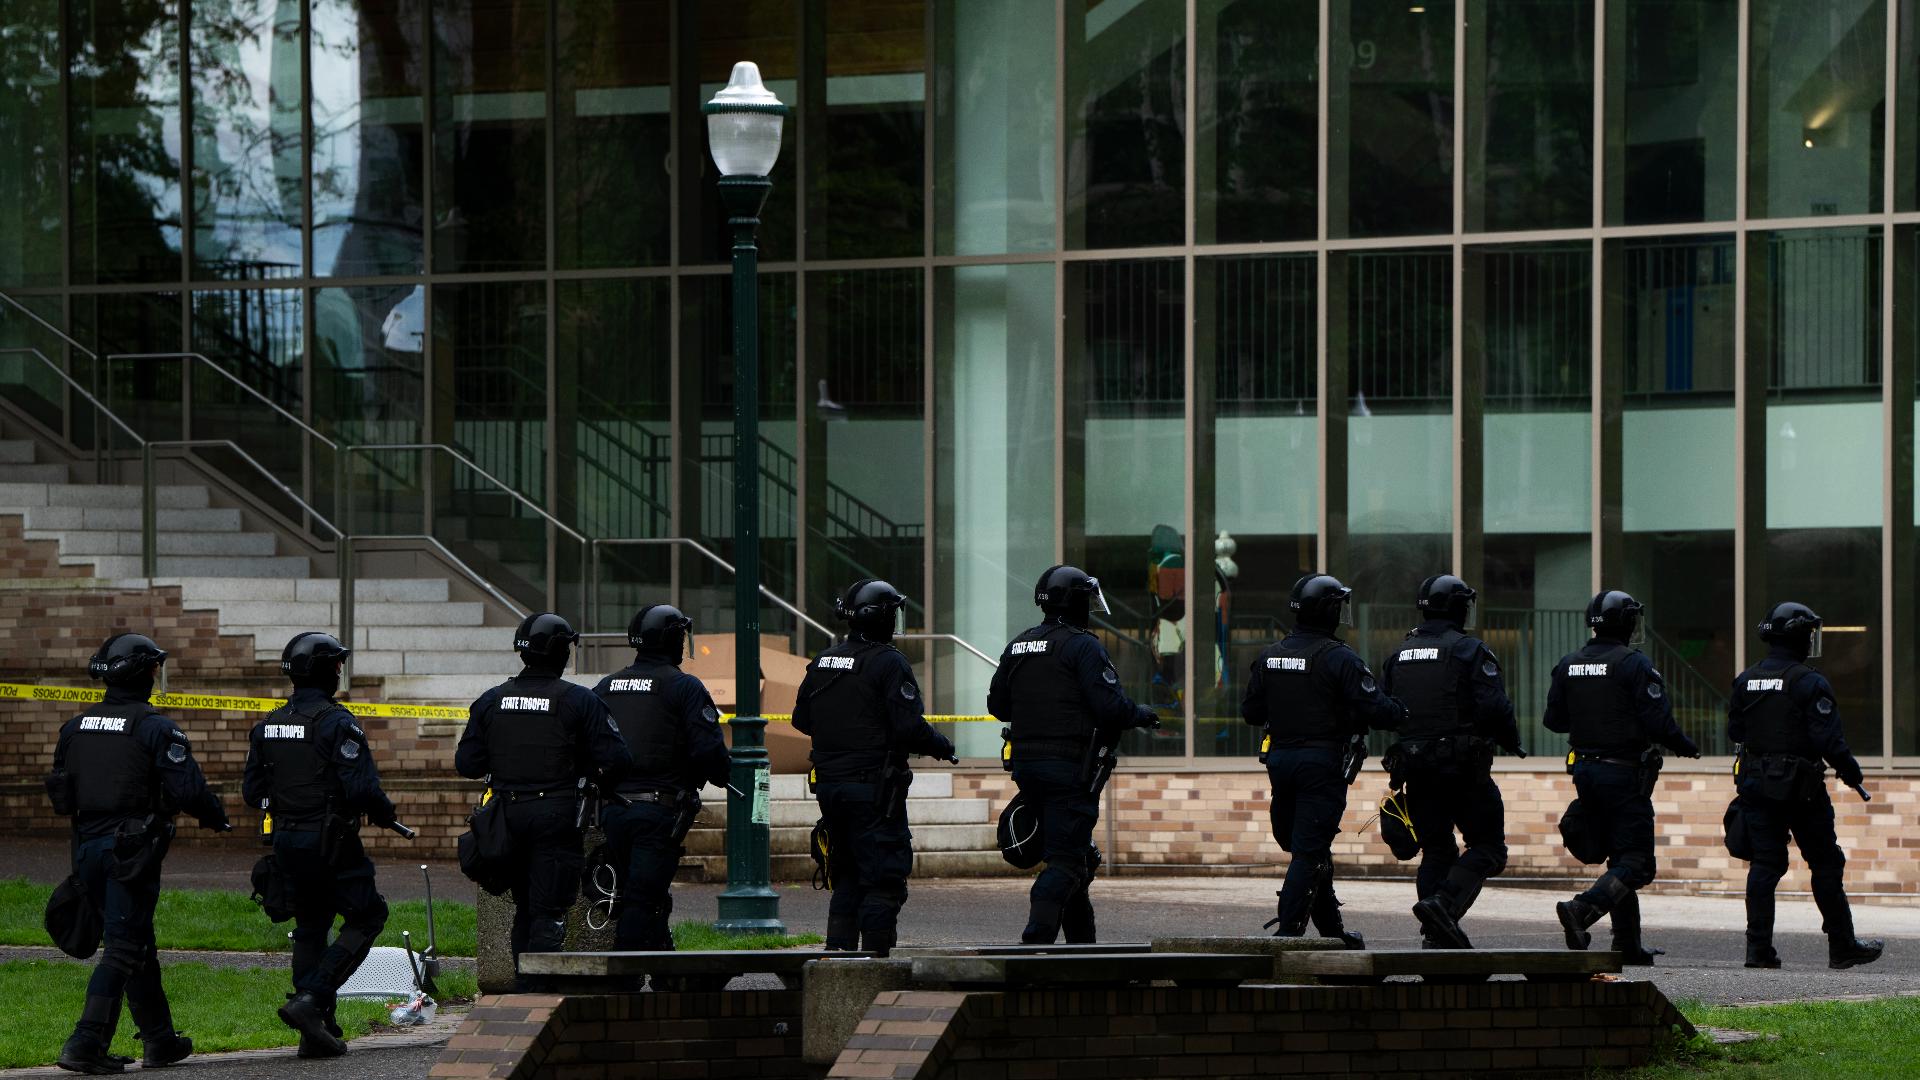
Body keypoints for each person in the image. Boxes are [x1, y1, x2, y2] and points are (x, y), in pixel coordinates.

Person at [49, 633, 230, 1074]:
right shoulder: (156, 728)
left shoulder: (75, 728)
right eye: (154, 667)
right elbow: (188, 789)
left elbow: (61, 794)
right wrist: (215, 817)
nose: (156, 674)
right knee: (124, 949)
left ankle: (160, 1040)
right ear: (144, 673)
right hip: (129, 855)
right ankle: (85, 1043)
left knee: (137, 946)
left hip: (87, 852)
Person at [243, 632, 398, 1057]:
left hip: (287, 841)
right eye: (336, 665)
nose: (338, 672)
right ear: (326, 671)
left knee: (311, 926)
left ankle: (316, 1033)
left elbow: (252, 791)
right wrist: (386, 813)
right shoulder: (337, 722)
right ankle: (312, 999)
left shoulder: (268, 724)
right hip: (332, 840)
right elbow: (362, 788)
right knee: (367, 916)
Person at [455, 613, 631, 985]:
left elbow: (467, 763)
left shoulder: (492, 700)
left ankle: (524, 989)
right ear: (561, 652)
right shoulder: (578, 701)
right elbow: (617, 761)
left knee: (524, 906)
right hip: (556, 814)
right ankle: (538, 995)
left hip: (506, 815)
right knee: (548, 909)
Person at [989, 565, 1160, 945]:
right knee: (1065, 864)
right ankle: (1035, 946)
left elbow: (997, 703)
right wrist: (1143, 714)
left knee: (1079, 860)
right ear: (1076, 602)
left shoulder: (1019, 644)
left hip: (1027, 769)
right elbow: (1109, 706)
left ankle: (1083, 949)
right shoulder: (1083, 645)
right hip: (1068, 770)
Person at [793, 580, 956, 956]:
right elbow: (908, 727)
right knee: (883, 880)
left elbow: (802, 719)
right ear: (881, 617)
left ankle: (837, 964)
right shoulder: (888, 661)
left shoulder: (824, 660)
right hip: (873, 790)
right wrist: (942, 746)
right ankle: (874, 968)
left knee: (848, 876)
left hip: (831, 788)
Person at [1242, 573, 1405, 947]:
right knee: (1309, 850)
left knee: (1307, 847)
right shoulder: (1339, 658)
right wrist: (1404, 711)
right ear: (1329, 611)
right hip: (1321, 763)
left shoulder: (1270, 656)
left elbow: (1251, 711)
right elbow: (1378, 710)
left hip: (1280, 761)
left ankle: (1332, 931)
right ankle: (1288, 938)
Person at [1544, 590, 1701, 962]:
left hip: (1585, 770)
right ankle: (1583, 909)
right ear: (1628, 623)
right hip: (1623, 774)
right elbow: (1658, 722)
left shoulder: (1569, 664)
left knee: (1619, 857)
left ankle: (1626, 943)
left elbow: (1554, 720)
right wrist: (1686, 746)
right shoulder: (1634, 664)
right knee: (1637, 862)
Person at [1727, 602, 1882, 970]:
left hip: (1757, 784)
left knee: (1764, 865)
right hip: (1802, 789)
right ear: (1799, 636)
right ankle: (1842, 946)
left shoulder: (1745, 680)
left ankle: (1758, 950)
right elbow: (1829, 741)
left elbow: (1735, 732)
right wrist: (1852, 773)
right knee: (1826, 863)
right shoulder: (1809, 681)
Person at [1381, 575, 1523, 950]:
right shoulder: (1468, 650)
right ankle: (1443, 906)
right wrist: (1512, 741)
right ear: (1459, 608)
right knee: (1489, 848)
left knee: (1438, 849)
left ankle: (1435, 937)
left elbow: (1386, 708)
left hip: (1417, 769)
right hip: (1462, 770)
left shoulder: (1400, 654)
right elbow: (1494, 706)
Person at [591, 605, 731, 951]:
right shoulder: (684, 687)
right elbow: (708, 751)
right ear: (672, 640)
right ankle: (624, 983)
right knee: (642, 898)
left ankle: (666, 972)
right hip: (658, 811)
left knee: (641, 893)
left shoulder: (606, 686)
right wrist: (720, 774)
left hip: (611, 811)